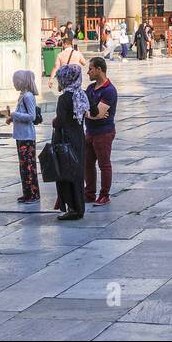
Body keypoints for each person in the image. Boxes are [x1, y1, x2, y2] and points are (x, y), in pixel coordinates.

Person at [51, 64, 88, 220]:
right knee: (77, 172)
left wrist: (54, 122)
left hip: (64, 140)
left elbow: (60, 121)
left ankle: (72, 208)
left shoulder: (64, 98)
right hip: (79, 138)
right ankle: (79, 206)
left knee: (65, 173)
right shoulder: (81, 95)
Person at [84, 57, 117, 207]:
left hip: (103, 132)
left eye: (90, 69)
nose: (88, 72)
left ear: (99, 69)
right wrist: (89, 113)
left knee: (104, 164)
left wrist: (89, 113)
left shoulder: (109, 90)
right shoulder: (91, 88)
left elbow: (98, 114)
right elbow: (83, 107)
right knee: (87, 163)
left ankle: (105, 195)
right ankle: (89, 193)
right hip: (90, 131)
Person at [8, 70, 40, 204]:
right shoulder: (23, 95)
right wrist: (12, 118)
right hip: (21, 135)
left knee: (28, 166)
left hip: (27, 136)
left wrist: (15, 115)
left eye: (16, 81)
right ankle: (27, 192)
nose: (14, 84)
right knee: (23, 166)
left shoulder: (27, 96)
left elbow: (31, 116)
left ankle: (33, 194)